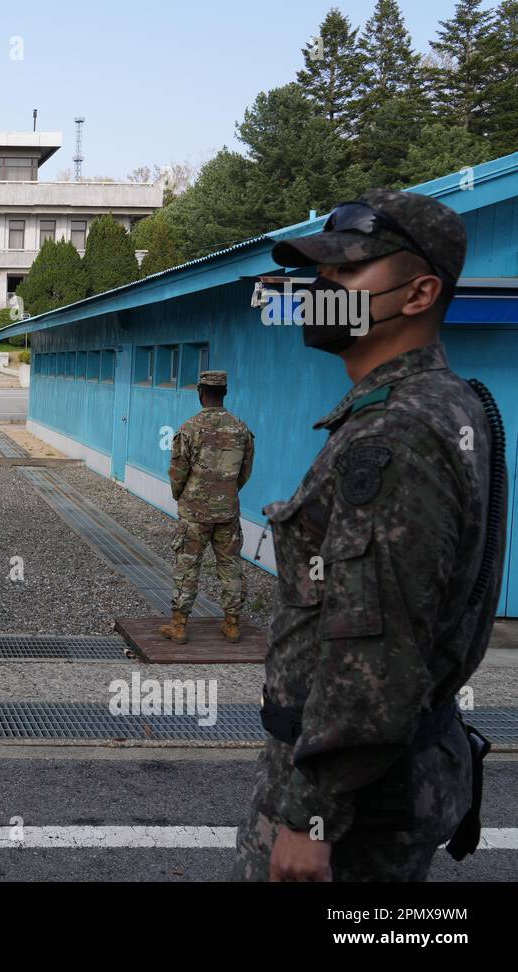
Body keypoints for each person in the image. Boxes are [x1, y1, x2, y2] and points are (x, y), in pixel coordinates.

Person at [234, 188, 506, 881]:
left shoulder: (397, 432)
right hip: (383, 781)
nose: (322, 290)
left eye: (347, 275)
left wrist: (308, 816)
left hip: (351, 809)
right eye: (320, 276)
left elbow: (373, 652)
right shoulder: (443, 404)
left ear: (418, 295)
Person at [161, 370, 255, 644]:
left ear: (200, 392)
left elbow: (178, 471)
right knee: (230, 565)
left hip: (194, 511)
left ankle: (179, 626)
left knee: (188, 566)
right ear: (224, 393)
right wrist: (227, 492)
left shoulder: (189, 428)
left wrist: (181, 496)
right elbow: (245, 471)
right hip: (227, 510)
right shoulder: (241, 428)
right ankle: (232, 624)